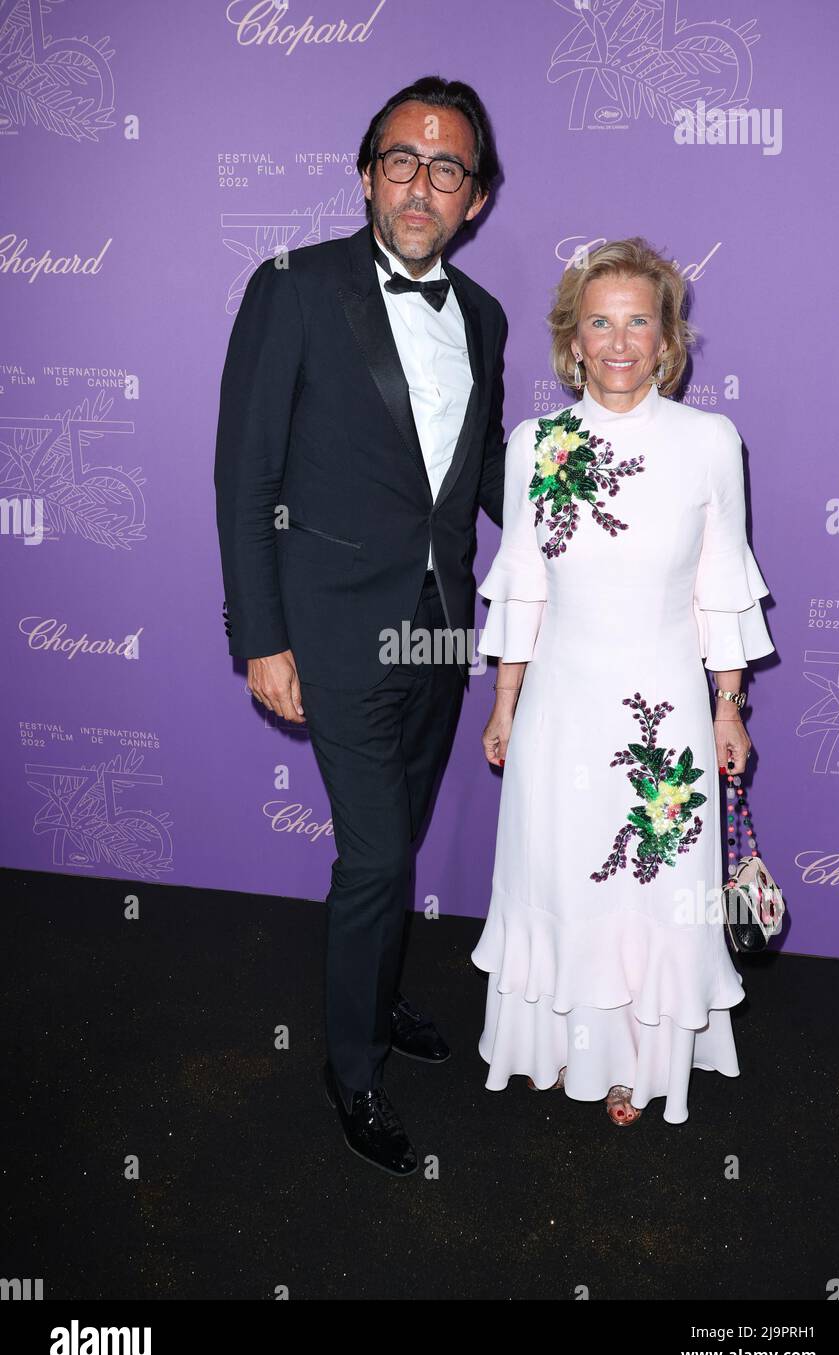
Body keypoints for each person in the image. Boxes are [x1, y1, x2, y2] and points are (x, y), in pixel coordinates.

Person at [214, 76, 507, 1175]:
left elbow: (476, 473)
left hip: (438, 632)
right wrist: (260, 635)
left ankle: (380, 1006)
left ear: (473, 198)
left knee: (399, 846)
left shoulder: (481, 314)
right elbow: (244, 475)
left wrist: (580, 516)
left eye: (447, 168)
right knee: (377, 854)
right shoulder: (289, 287)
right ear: (366, 172)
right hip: (330, 629)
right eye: (401, 159)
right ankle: (351, 1070)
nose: (421, 184)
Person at [473, 237, 775, 1125]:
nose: (617, 340)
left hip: (664, 715)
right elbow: (522, 581)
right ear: (572, 339)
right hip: (559, 707)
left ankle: (634, 1061)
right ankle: (553, 1042)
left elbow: (721, 588)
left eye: (637, 322)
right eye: (598, 322)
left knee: (645, 884)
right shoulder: (537, 443)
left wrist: (728, 707)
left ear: (667, 338)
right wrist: (503, 702)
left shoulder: (710, 442)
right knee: (560, 872)